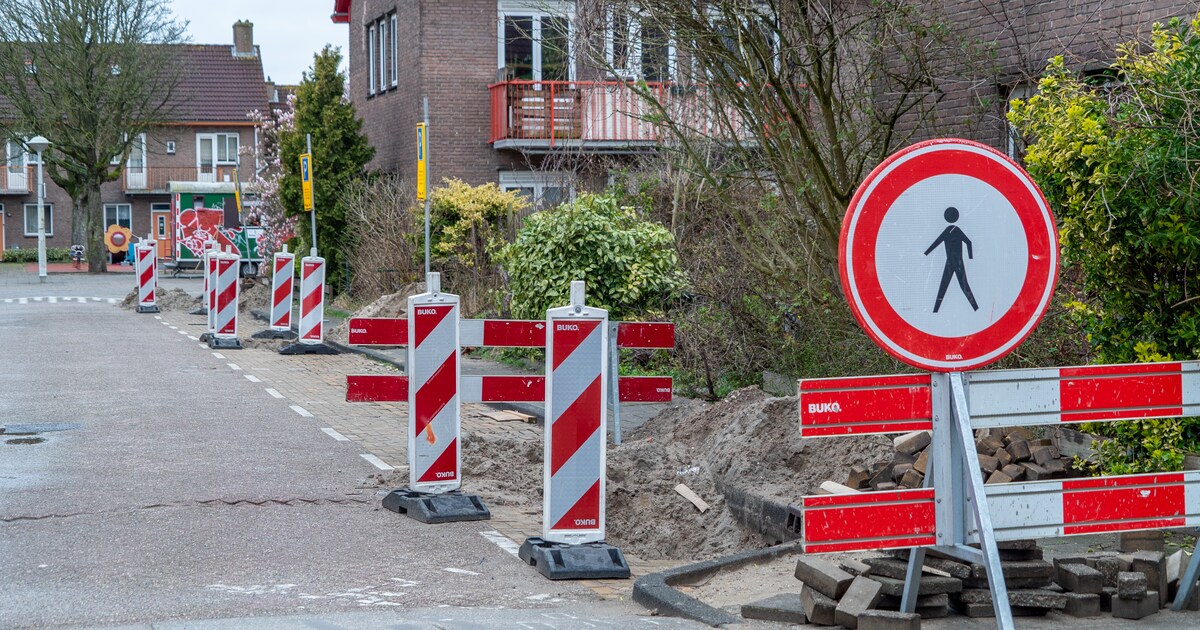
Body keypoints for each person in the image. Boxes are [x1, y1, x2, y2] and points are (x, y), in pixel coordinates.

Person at [923, 206, 979, 313]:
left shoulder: (950, 230)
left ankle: (975, 308)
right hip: (953, 262)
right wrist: (970, 257)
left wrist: (926, 253)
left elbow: (936, 243)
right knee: (951, 286)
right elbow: (968, 242)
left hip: (955, 262)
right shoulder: (954, 230)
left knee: (959, 285)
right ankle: (935, 311)